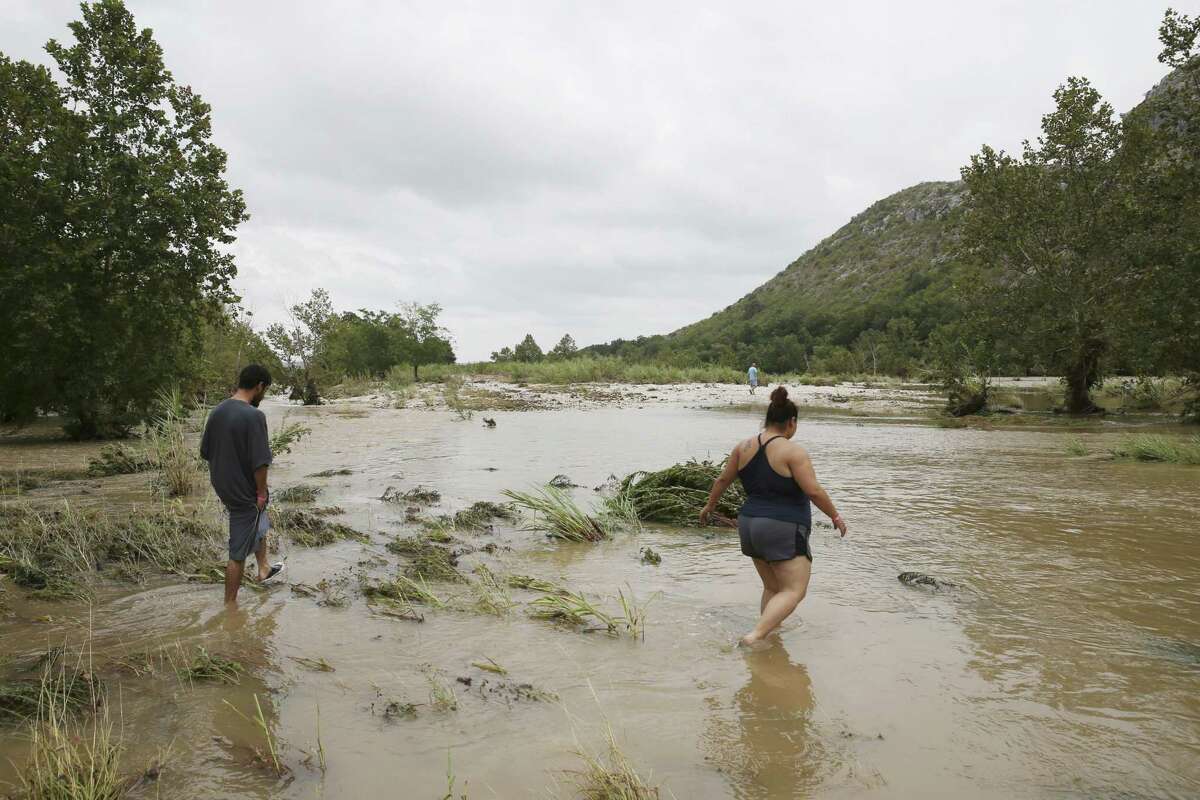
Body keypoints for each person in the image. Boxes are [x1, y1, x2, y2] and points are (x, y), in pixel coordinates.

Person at [700, 386, 847, 647]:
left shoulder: (743, 447)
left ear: (767, 419)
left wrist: (709, 506)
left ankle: (770, 637)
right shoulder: (793, 451)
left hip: (749, 525)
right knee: (794, 590)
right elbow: (813, 490)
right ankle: (755, 636)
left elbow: (722, 479)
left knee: (773, 587)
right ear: (791, 422)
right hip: (782, 526)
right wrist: (835, 516)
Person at [200, 364, 284, 605]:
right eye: (264, 390)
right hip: (242, 492)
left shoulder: (218, 410)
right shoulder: (254, 416)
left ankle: (264, 568)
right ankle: (230, 609)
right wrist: (260, 492)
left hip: (223, 485)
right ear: (259, 386)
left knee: (260, 517)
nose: (263, 395)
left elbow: (206, 452)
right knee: (237, 554)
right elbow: (260, 464)